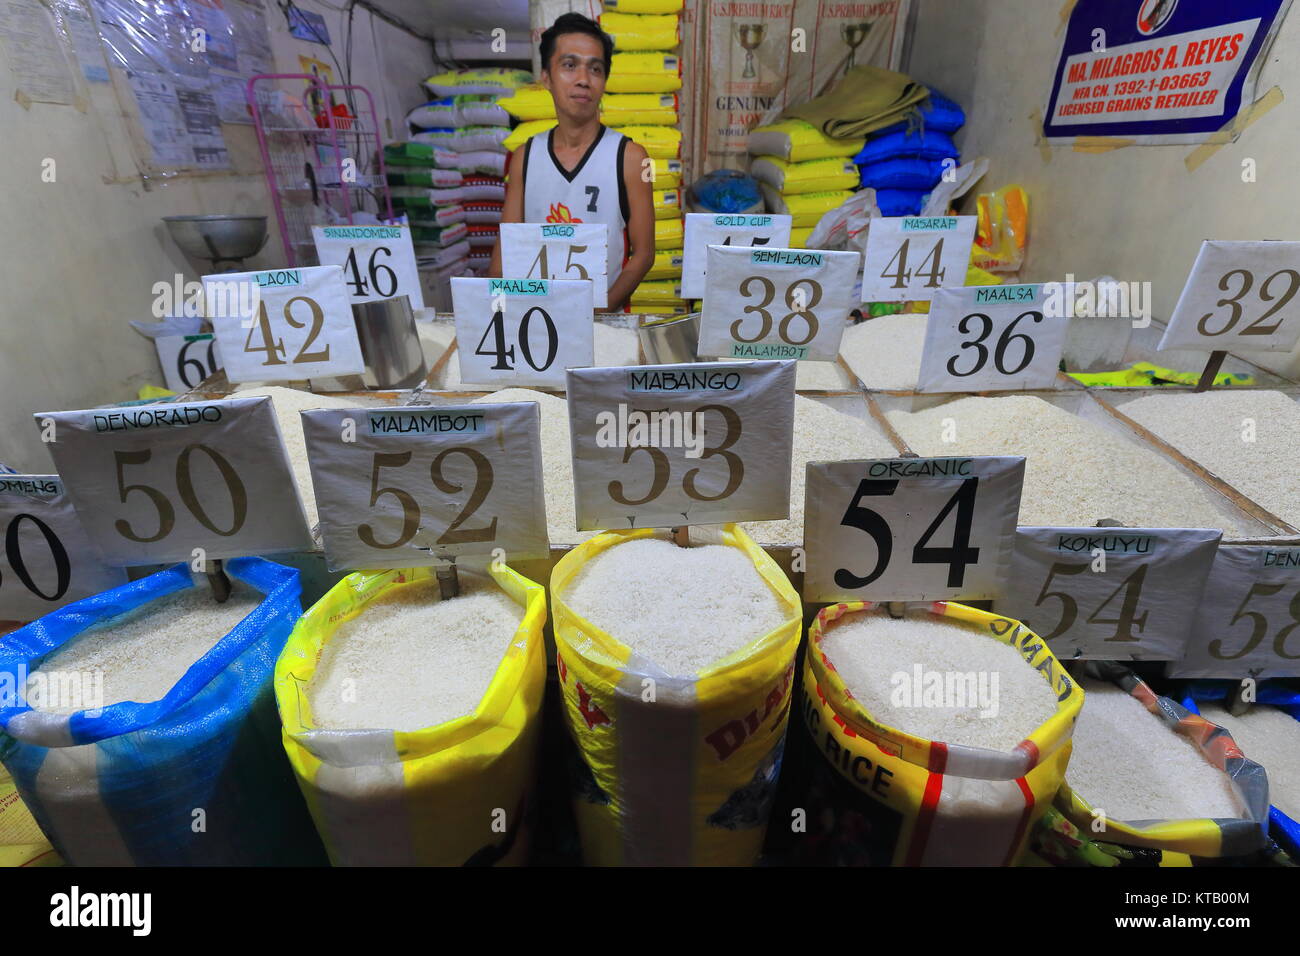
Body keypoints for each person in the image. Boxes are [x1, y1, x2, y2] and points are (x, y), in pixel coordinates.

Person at [489, 13, 654, 313]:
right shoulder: (525, 158)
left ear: (604, 81)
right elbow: (506, 246)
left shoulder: (632, 158)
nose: (583, 79)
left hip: (602, 323)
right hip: (535, 318)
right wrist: (499, 308)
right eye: (569, 65)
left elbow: (644, 254)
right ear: (546, 78)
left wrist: (600, 311)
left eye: (595, 68)